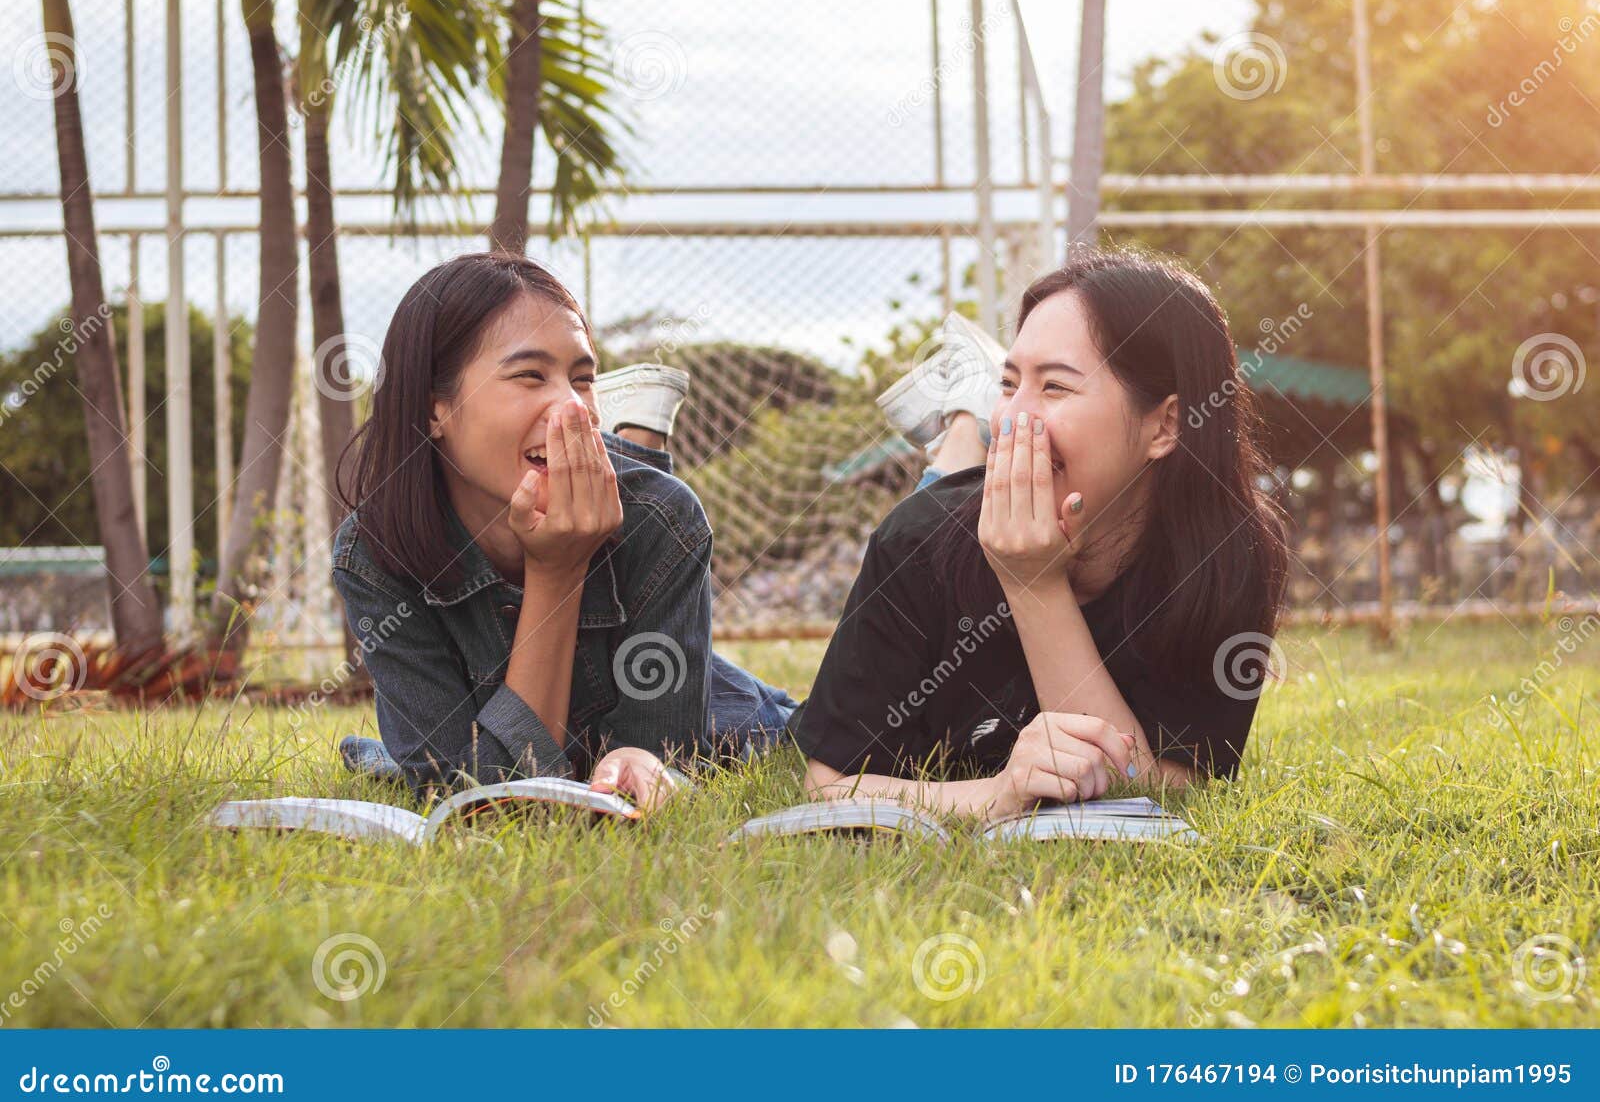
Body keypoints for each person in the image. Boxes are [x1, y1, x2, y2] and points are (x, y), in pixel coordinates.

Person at [795, 247, 1290, 818]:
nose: (1012, 420)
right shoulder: (915, 541)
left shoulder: (1232, 550)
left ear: (1166, 425)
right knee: (744, 713)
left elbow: (1168, 790)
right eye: (1008, 385)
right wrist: (996, 794)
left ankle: (962, 423)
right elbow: (830, 782)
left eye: (1054, 387)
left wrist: (1036, 585)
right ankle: (961, 423)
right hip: (930, 531)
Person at [331, 252, 796, 806]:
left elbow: (658, 761)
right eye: (530, 375)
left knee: (819, 743)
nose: (572, 407)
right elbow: (471, 795)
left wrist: (641, 765)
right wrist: (557, 571)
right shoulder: (375, 553)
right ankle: (637, 438)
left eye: (583, 380)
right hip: (533, 724)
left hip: (723, 716)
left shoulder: (662, 520)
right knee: (399, 765)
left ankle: (636, 445)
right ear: (435, 408)